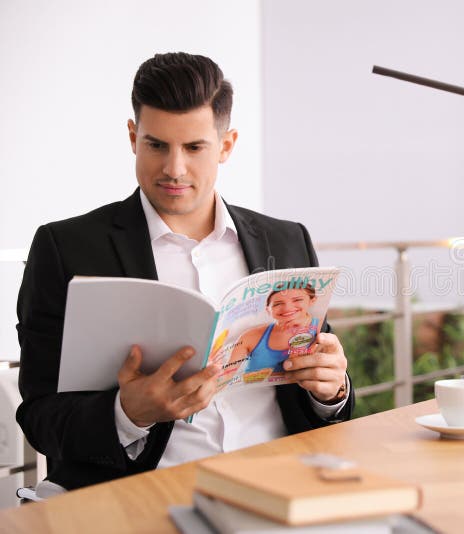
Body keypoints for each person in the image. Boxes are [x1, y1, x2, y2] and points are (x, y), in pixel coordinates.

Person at [16, 52, 354, 491]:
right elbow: (40, 416)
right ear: (133, 136)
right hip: (145, 494)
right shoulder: (66, 248)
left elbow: (318, 391)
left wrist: (330, 390)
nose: (174, 169)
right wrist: (127, 414)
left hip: (281, 484)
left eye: (194, 148)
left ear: (226, 145)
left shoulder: (287, 240)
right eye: (156, 145)